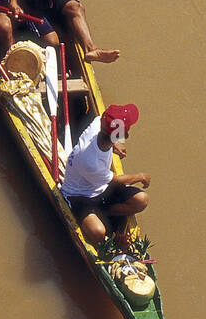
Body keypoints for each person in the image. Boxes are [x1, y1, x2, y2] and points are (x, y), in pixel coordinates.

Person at [60, 104, 148, 247]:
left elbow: (109, 134)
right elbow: (117, 180)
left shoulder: (98, 123)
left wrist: (115, 146)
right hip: (78, 196)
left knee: (142, 200)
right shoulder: (90, 162)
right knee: (98, 233)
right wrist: (141, 176)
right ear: (120, 135)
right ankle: (99, 222)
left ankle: (105, 212)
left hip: (100, 186)